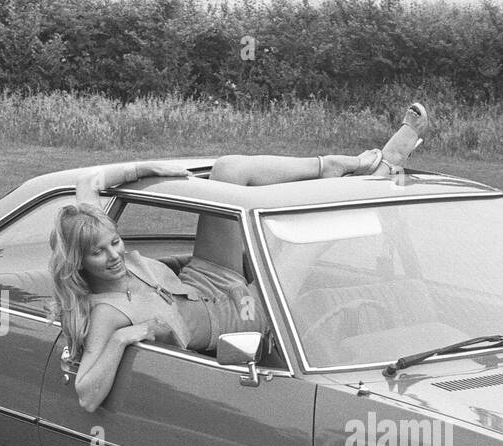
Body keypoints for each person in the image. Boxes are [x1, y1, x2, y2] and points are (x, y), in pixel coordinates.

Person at [51, 103, 430, 412]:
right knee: (309, 237)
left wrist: (145, 169)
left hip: (205, 279)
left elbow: (88, 183)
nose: (114, 255)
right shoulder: (106, 315)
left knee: (228, 169)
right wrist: (122, 340)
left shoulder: (89, 227)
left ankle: (328, 166)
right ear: (79, 261)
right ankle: (381, 171)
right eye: (98, 253)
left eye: (115, 242)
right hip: (239, 316)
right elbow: (86, 395)